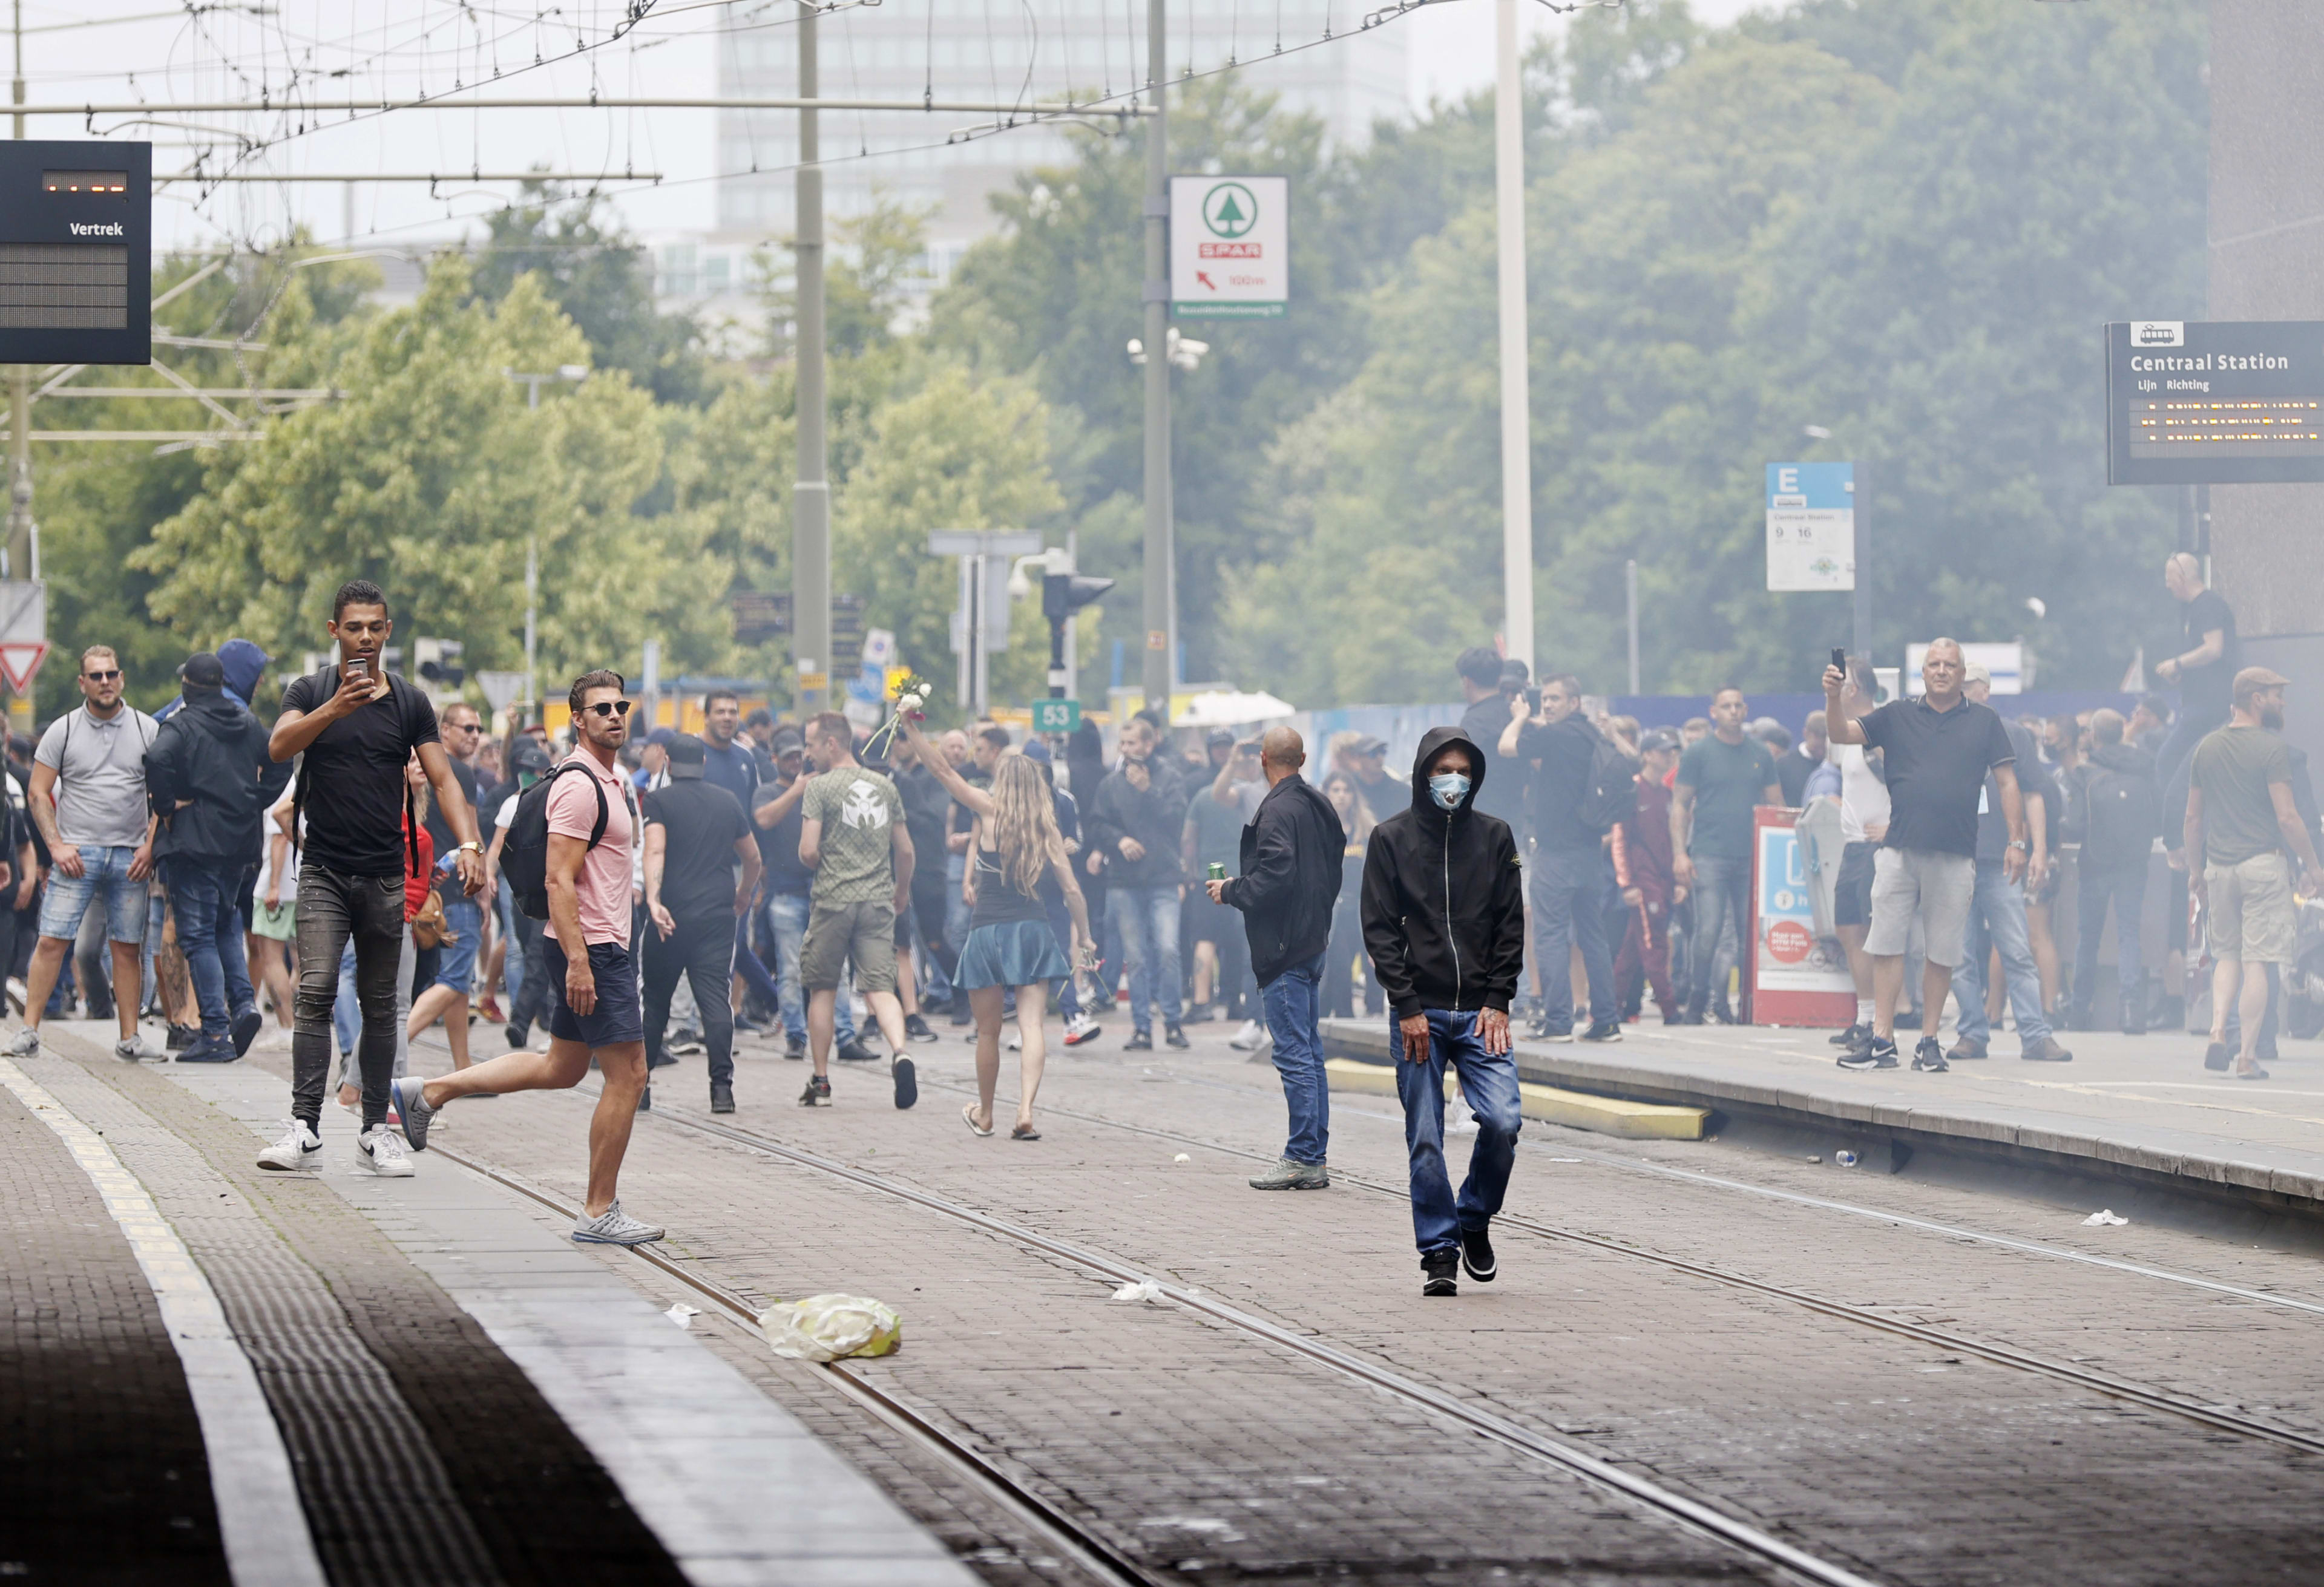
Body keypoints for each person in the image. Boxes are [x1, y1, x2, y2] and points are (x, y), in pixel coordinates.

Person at [393, 672, 661, 1243]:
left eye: (621, 705)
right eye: (601, 708)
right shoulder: (580, 786)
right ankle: (598, 1211)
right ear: (579, 720)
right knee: (630, 1074)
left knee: (560, 1067)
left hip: (596, 943)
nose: (615, 715)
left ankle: (430, 1092)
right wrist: (581, 962)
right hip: (592, 946)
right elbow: (558, 880)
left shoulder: (611, 783)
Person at [258, 581, 485, 1177]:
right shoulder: (309, 691)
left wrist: (469, 842)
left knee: (383, 1005)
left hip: (387, 873)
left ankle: (375, 1130)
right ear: (334, 631)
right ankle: (304, 1127)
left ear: (388, 632)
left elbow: (444, 780)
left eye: (374, 627)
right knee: (317, 989)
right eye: (353, 627)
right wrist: (336, 708)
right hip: (324, 872)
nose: (364, 637)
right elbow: (280, 745)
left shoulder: (410, 702)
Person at [1361, 726, 1526, 1298]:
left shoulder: (1496, 837)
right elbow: (1379, 930)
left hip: (1483, 1013)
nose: (1453, 780)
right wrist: (1405, 1004)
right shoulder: (1390, 839)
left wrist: (1499, 997)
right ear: (1423, 773)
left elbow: (1510, 924)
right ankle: (1438, 1249)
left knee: (1504, 1121)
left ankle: (1473, 1216)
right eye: (1442, 769)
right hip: (1420, 1014)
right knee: (1426, 1136)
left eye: (1463, 769)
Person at [1823, 638, 2026, 1075]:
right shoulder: (1898, 715)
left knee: (1943, 951)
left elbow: (2008, 782)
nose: (1941, 670)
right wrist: (1831, 697)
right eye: (1933, 663)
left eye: (1949, 665)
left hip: (1955, 852)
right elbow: (1841, 733)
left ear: (1962, 672)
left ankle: (1929, 1041)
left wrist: (2018, 841)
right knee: (1886, 943)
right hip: (1899, 848)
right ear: (1923, 673)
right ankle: (1882, 1039)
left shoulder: (1986, 721)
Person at [902, 719, 1091, 1138]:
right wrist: (1087, 935)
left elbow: (943, 771)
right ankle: (1025, 1110)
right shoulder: (1048, 828)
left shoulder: (988, 812)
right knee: (1032, 1026)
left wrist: (912, 729)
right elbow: (1073, 890)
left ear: (1003, 781)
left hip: (987, 932)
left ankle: (986, 1113)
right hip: (1032, 933)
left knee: (988, 1030)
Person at [142, 651, 294, 1063]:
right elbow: (281, 760)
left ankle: (213, 1031)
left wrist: (168, 805)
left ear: (188, 685)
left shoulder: (183, 723)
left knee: (196, 934)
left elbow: (156, 758)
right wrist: (254, 800)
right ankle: (243, 1004)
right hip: (239, 843)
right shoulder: (247, 723)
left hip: (195, 843)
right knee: (226, 921)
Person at [7, 647, 158, 1060]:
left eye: (111, 673)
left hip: (130, 856)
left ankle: (130, 1038)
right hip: (77, 856)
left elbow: (164, 795)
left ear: (122, 677)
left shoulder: (148, 729)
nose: (104, 681)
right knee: (52, 940)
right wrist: (56, 845)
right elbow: (37, 791)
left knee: (127, 946)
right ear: (83, 683)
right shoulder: (65, 729)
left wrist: (149, 845)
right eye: (96, 675)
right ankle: (29, 1031)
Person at [1211, 726, 1345, 1189]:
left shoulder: (1275, 810)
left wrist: (1231, 889)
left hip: (1284, 949)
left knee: (1294, 1054)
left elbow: (1275, 875)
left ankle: (1304, 1156)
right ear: (1303, 758)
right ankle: (1313, 1155)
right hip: (1312, 942)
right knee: (1309, 1051)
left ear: (1264, 758)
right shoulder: (1319, 804)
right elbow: (1333, 868)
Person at [2185, 667, 2324, 1081]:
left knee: (2226, 956)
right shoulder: (2272, 748)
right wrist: (2313, 865)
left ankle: (2215, 1031)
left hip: (2219, 867)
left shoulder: (2206, 748)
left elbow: (2192, 818)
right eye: (2277, 694)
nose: (2282, 701)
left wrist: (2196, 870)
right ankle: (2246, 1054)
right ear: (2257, 699)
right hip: (2263, 865)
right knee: (2257, 962)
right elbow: (2288, 816)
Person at [1943, 667, 2070, 1063]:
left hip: (2003, 857)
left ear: (1985, 689)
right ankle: (1973, 1031)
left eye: (1969, 686)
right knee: (1959, 955)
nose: (1964, 692)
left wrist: (2037, 849)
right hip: (1954, 857)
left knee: (2016, 948)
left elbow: (2034, 793)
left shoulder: (2013, 733)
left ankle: (2034, 1033)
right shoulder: (1941, 730)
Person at [796, 711, 920, 1108]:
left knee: (823, 988)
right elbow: (905, 850)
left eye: (812, 744)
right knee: (881, 987)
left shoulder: (820, 787)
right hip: (877, 900)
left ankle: (821, 1080)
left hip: (833, 900)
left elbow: (808, 850)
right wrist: (900, 891)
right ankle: (901, 1051)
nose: (808, 752)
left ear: (831, 743)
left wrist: (820, 858)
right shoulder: (885, 786)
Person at [641, 733, 761, 1113]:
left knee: (656, 1003)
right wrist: (744, 893)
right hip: (716, 916)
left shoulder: (658, 801)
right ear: (705, 764)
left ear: (668, 764)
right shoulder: (727, 802)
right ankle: (722, 1089)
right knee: (715, 1001)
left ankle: (639, 1088)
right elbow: (753, 857)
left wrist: (653, 900)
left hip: (671, 917)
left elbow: (655, 848)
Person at [1500, 673, 1622, 1042]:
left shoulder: (1553, 736)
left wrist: (1521, 716)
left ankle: (1557, 1023)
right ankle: (1606, 1021)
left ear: (1574, 702)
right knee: (1593, 937)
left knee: (1549, 935)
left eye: (1556, 699)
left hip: (1555, 854)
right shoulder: (1590, 734)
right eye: (1545, 699)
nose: (1549, 705)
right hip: (1589, 853)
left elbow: (1507, 747)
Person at [753, 727, 868, 1064]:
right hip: (786, 894)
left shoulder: (825, 788)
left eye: (798, 756)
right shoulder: (767, 792)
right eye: (787, 756)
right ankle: (795, 1036)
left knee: (838, 968)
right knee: (790, 970)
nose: (794, 762)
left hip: (825, 892)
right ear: (774, 759)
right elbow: (763, 820)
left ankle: (846, 1036)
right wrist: (797, 790)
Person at [1670, 688, 1781, 1025]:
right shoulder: (1699, 752)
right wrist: (1679, 854)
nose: (1733, 711)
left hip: (1752, 857)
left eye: (1738, 706)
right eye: (1726, 706)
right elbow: (1679, 805)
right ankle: (1696, 1003)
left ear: (1746, 710)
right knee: (1708, 932)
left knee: (1750, 937)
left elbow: (1778, 806)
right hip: (1708, 854)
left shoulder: (1761, 753)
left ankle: (1748, 1006)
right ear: (1713, 712)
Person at [1085, 715, 1190, 1050]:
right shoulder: (1111, 784)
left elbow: (1176, 820)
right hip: (1124, 880)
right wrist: (1119, 841)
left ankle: (1173, 1022)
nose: (1127, 749)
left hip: (1162, 877)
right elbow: (1098, 824)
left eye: (1133, 743)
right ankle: (1142, 1027)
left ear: (1149, 744)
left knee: (1168, 949)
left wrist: (1150, 792)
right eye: (1123, 743)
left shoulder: (1170, 778)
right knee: (1137, 956)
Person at [2063, 708, 2157, 1035]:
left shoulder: (2084, 771)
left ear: (2095, 735)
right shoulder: (2145, 765)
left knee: (2088, 938)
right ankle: (2131, 1012)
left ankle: (2079, 1012)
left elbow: (2074, 827)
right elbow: (2155, 813)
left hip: (2094, 863)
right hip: (2134, 862)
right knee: (2129, 934)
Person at [409, 699, 487, 1073]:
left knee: (457, 981)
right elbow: (472, 836)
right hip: (457, 890)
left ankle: (463, 1066)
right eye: (467, 728)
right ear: (445, 731)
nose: (475, 736)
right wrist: (484, 891)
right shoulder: (459, 774)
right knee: (453, 980)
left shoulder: (418, 766)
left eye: (479, 729)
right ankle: (372, 1057)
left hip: (427, 891)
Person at [1823, 658, 1889, 1058]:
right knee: (1849, 930)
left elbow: (1906, 779)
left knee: (1871, 934)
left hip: (1874, 847)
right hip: (1853, 844)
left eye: (1839, 683)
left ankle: (1878, 1020)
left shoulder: (1876, 734)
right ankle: (1864, 1016)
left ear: (1853, 689)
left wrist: (1894, 825)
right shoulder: (1846, 736)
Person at [1184, 730, 1257, 1030]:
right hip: (1243, 874)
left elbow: (1189, 837)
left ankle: (1201, 1001)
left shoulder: (1204, 795)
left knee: (1205, 939)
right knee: (1240, 940)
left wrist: (1189, 872)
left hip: (1209, 874)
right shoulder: (1254, 795)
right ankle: (1234, 1000)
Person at [2153, 552, 2239, 786]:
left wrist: (2178, 663)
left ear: (2181, 577)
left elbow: (2214, 649)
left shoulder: (2207, 605)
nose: (2167, 584)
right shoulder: (2198, 608)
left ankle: (2174, 821)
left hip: (2208, 708)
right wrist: (2182, 673)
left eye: (2169, 577)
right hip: (2204, 706)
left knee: (2168, 762)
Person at [1613, 727, 1681, 1023]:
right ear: (1648, 755)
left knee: (1632, 951)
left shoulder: (1668, 794)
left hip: (1663, 882)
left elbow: (1671, 842)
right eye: (1664, 751)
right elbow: (1620, 839)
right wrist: (1627, 883)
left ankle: (1607, 1008)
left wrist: (1678, 881)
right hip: (1642, 883)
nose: (1669, 756)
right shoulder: (1631, 789)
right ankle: (1671, 1011)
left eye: (1671, 751)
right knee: (1655, 946)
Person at [1318, 772, 1377, 1019]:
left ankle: (1375, 1011)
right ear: (1327, 793)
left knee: (1374, 961)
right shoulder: (1319, 828)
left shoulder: (1367, 829)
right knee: (1340, 964)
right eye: (1336, 790)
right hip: (1335, 908)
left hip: (1366, 906)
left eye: (1346, 790)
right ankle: (1344, 1016)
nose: (1341, 796)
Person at [1774, 712, 1827, 808]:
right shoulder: (1783, 765)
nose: (1820, 753)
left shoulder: (1833, 767)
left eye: (1824, 749)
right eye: (1816, 748)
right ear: (1805, 734)